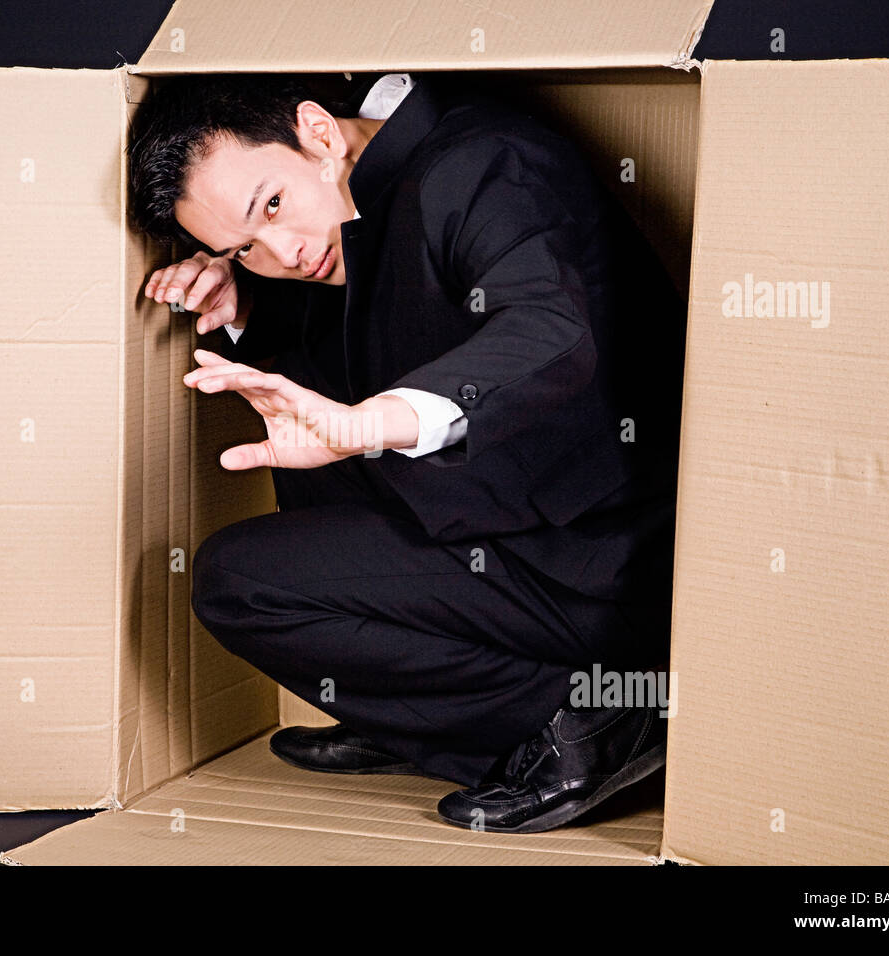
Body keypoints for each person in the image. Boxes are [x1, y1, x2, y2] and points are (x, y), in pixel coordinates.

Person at [126, 70, 686, 833]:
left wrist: (372, 423)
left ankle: (606, 714)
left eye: (272, 206)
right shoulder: (351, 206)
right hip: (505, 527)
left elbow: (551, 332)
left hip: (602, 559)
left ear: (319, 131)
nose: (283, 251)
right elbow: (372, 333)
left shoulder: (485, 161)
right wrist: (242, 303)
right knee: (308, 435)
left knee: (239, 582)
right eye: (243, 246)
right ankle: (414, 713)